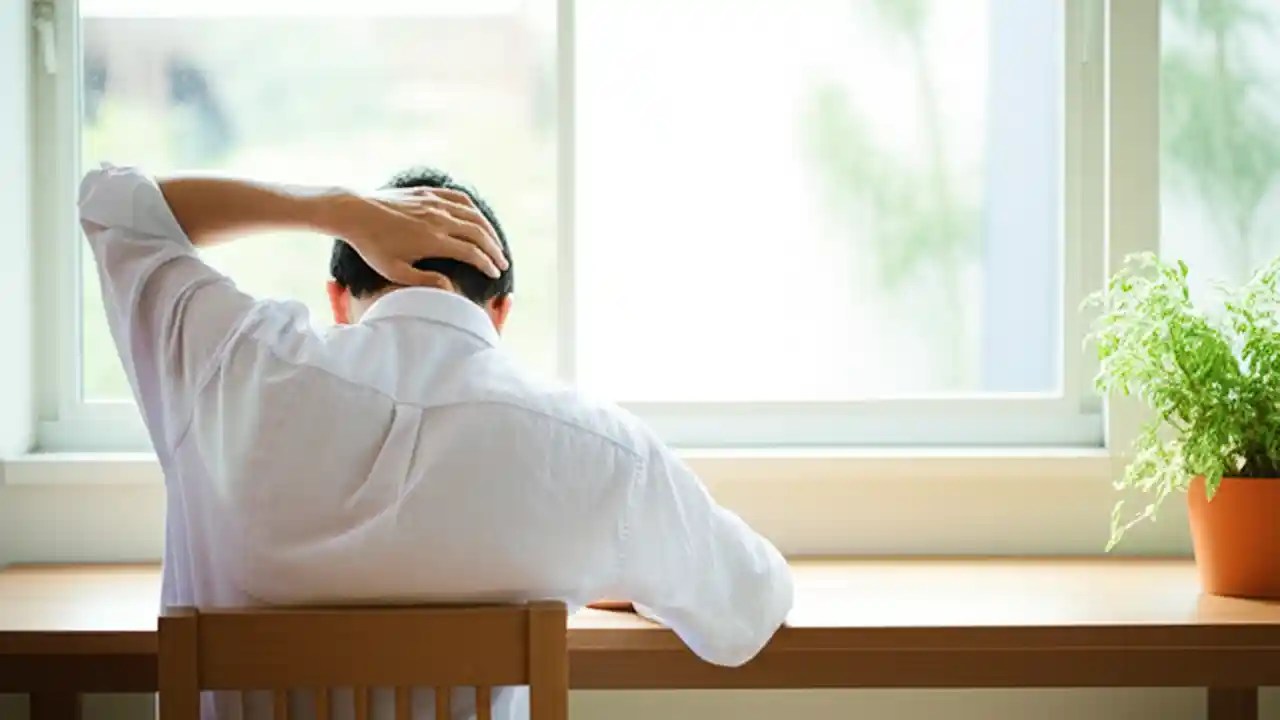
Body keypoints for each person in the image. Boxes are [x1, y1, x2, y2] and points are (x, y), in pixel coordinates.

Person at [79, 163, 793, 720]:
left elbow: (112, 201)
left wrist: (334, 205)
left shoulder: (232, 365)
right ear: (501, 310)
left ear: (338, 296)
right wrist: (607, 563)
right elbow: (751, 605)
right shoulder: (599, 454)